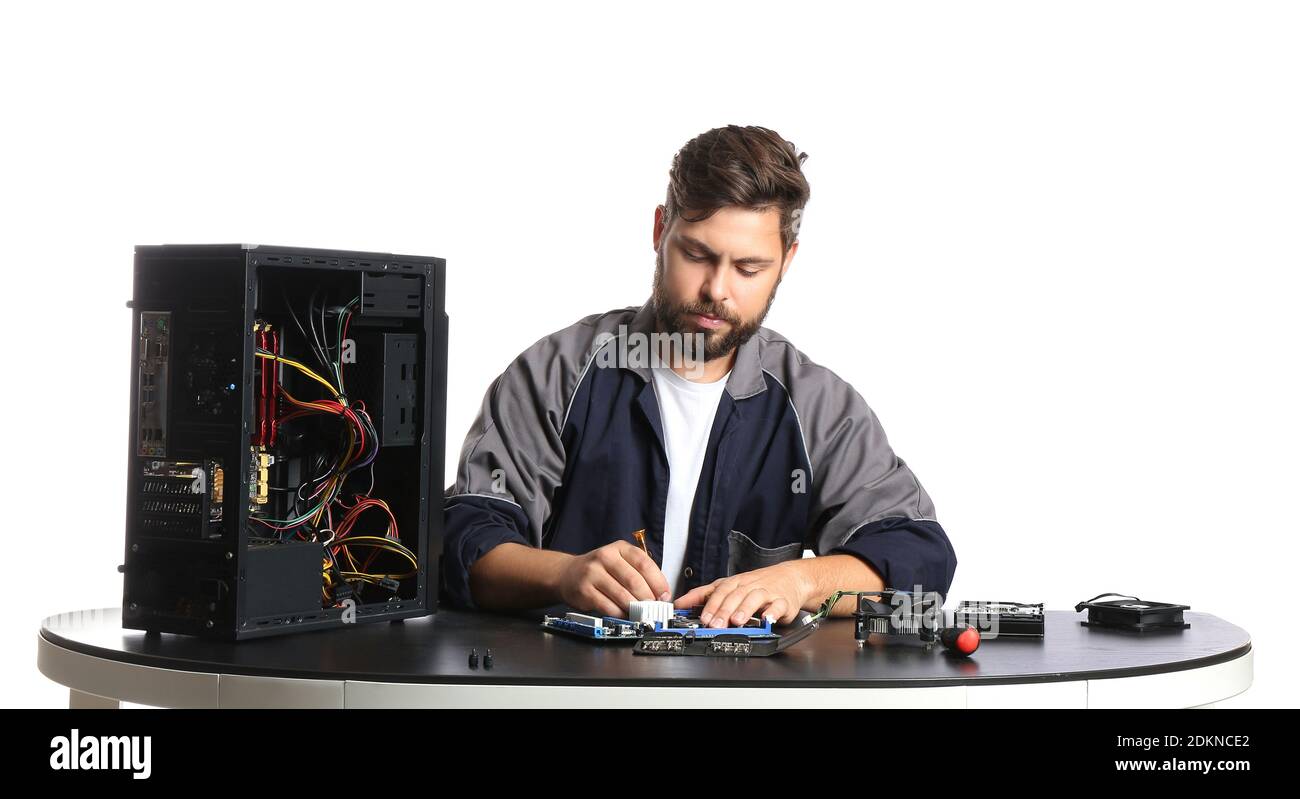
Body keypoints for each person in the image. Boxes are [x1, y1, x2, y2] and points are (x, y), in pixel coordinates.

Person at [442, 124, 956, 627]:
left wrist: (798, 581)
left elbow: (916, 557)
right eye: (696, 254)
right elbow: (463, 538)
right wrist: (564, 575)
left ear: (786, 262)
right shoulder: (557, 374)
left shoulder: (818, 407)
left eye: (749, 268)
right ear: (659, 230)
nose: (717, 289)